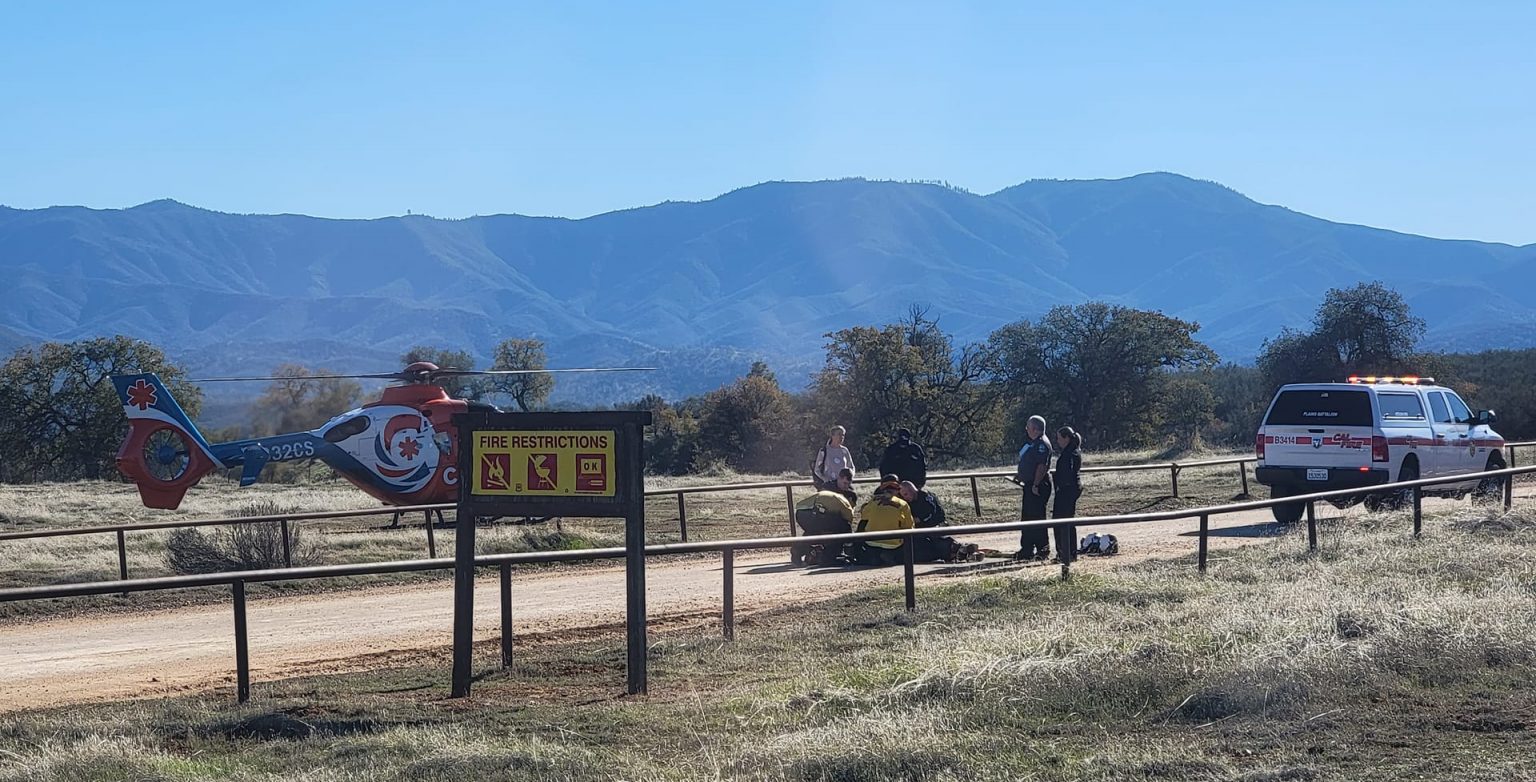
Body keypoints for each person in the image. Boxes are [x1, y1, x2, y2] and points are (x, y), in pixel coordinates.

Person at [899, 480, 978, 562]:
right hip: (926, 526)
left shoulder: (925, 497)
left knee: (935, 537)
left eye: (906, 494)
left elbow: (927, 515)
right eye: (903, 496)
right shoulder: (911, 502)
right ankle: (961, 553)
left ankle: (957, 548)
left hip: (938, 523)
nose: (905, 498)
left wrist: (911, 521)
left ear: (912, 490)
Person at [850, 479, 914, 566]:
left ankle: (875, 558)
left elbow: (864, 516)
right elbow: (909, 525)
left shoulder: (873, 501)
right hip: (893, 544)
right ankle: (889, 556)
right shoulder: (903, 504)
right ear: (897, 491)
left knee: (873, 549)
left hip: (871, 541)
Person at [1015, 415, 1053, 560]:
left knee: (1036, 517)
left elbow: (1041, 466)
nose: (1026, 429)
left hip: (1038, 485)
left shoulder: (1042, 444)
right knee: (1027, 517)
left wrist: (1036, 484)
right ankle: (1027, 549)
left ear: (1035, 429)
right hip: (1030, 484)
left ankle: (1042, 549)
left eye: (1028, 427)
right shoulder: (1033, 442)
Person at [791, 488, 855, 566]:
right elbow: (848, 522)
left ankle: (798, 551)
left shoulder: (834, 496)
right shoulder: (845, 503)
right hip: (813, 513)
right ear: (851, 499)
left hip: (801, 513)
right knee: (843, 527)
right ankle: (829, 557)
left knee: (815, 532)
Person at [1052, 426, 1084, 564]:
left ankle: (1066, 553)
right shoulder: (1072, 451)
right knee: (1066, 521)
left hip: (1066, 491)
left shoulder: (1070, 454)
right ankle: (1068, 552)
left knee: (1061, 521)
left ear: (1066, 438)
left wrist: (1060, 483)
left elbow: (1067, 472)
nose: (1058, 441)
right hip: (1069, 489)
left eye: (1059, 438)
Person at [812, 426, 856, 490]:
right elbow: (817, 469)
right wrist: (825, 479)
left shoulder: (844, 450)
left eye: (843, 435)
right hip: (830, 486)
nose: (841, 437)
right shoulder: (824, 451)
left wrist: (849, 477)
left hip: (843, 486)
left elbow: (851, 467)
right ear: (832, 436)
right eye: (839, 434)